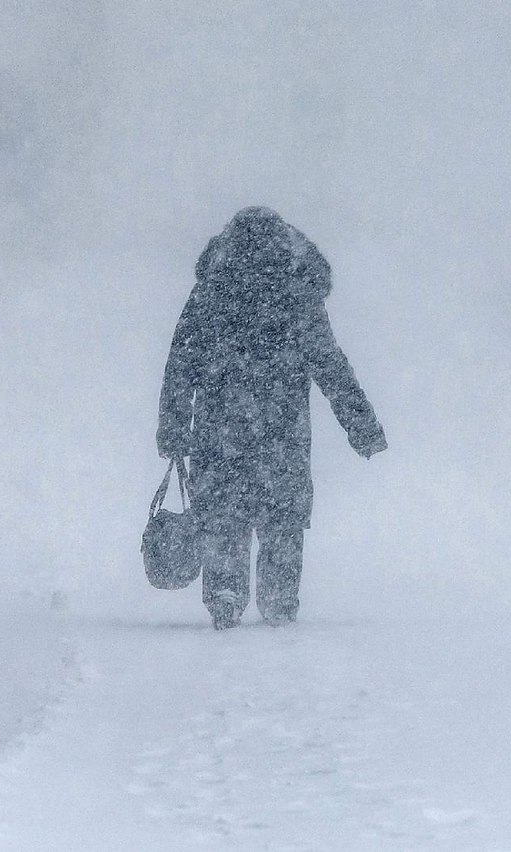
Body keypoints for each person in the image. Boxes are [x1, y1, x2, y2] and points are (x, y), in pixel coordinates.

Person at [156, 207, 387, 630]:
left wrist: (173, 427)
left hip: (219, 426)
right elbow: (330, 365)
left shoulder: (212, 290)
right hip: (282, 428)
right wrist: (362, 426)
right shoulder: (297, 293)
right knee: (283, 514)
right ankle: (279, 595)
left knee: (223, 509)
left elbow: (181, 364)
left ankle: (225, 592)